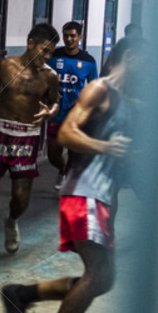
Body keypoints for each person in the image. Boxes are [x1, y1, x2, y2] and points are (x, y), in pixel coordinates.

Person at [0, 38, 133, 313]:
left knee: (104, 279)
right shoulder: (99, 90)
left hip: (102, 197)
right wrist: (105, 148)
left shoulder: (127, 101)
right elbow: (66, 134)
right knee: (97, 273)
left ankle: (22, 294)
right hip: (85, 192)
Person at [0, 23, 61, 259]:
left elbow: (56, 103)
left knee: (21, 196)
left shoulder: (50, 76)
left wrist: (50, 112)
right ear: (30, 43)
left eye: (50, 53)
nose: (46, 57)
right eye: (43, 50)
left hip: (27, 137)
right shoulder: (4, 66)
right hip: (0, 133)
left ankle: (12, 219)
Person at [47, 20, 98, 191]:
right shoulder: (54, 56)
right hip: (55, 114)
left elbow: (93, 88)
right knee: (53, 154)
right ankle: (62, 170)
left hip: (76, 115)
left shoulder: (88, 61)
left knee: (73, 153)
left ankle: (68, 180)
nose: (69, 39)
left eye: (73, 36)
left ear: (80, 37)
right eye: (66, 36)